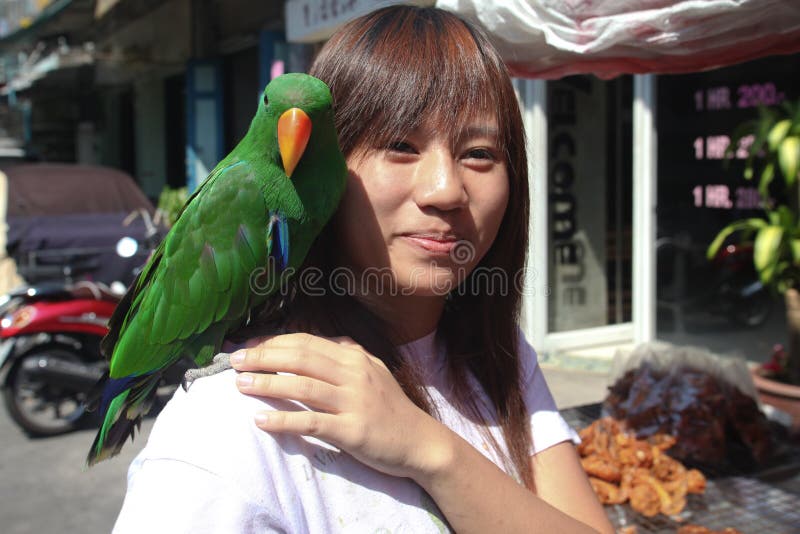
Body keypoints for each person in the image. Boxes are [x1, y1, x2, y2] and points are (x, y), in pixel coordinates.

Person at [113, 6, 613, 533]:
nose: (445, 190)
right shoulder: (231, 426)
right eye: (401, 145)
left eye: (481, 152)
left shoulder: (499, 354)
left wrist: (431, 451)